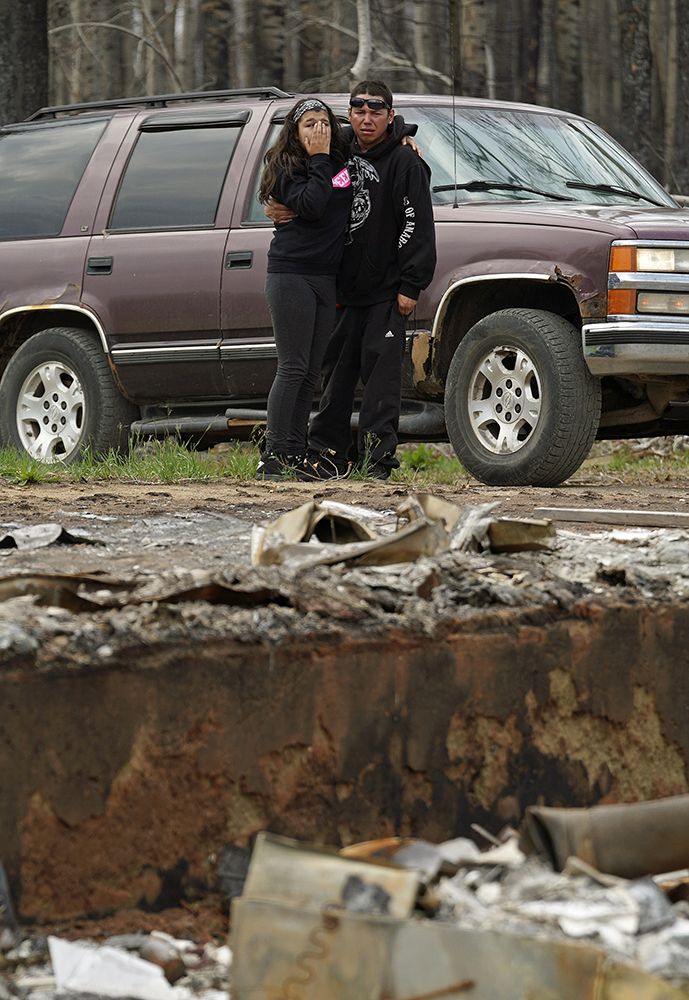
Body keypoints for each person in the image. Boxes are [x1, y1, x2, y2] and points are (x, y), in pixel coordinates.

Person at [270, 82, 437, 481]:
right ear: (349, 114)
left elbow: (417, 224)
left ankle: (376, 461)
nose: (366, 119)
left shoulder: (405, 162)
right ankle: (324, 454)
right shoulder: (337, 150)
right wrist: (280, 203)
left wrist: (410, 284)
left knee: (381, 382)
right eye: (358, 111)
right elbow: (301, 177)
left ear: (390, 116)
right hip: (339, 287)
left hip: (386, 291)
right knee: (334, 378)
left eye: (376, 112)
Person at [255, 97, 353, 480]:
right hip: (291, 274)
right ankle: (273, 455)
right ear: (295, 132)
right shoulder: (287, 166)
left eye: (324, 122)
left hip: (325, 278)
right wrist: (319, 158)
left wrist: (407, 137)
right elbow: (312, 205)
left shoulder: (338, 157)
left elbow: (377, 131)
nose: (319, 130)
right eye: (309, 123)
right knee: (292, 367)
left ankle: (294, 454)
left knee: (311, 372)